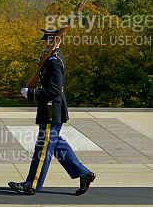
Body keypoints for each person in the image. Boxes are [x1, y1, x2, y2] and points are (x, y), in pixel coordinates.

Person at [8, 29, 96, 196]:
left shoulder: (54, 62)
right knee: (56, 145)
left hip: (51, 110)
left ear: (54, 42)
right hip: (51, 109)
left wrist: (32, 94)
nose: (42, 43)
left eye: (46, 41)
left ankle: (31, 185)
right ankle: (84, 174)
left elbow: (54, 90)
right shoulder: (50, 59)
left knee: (43, 148)